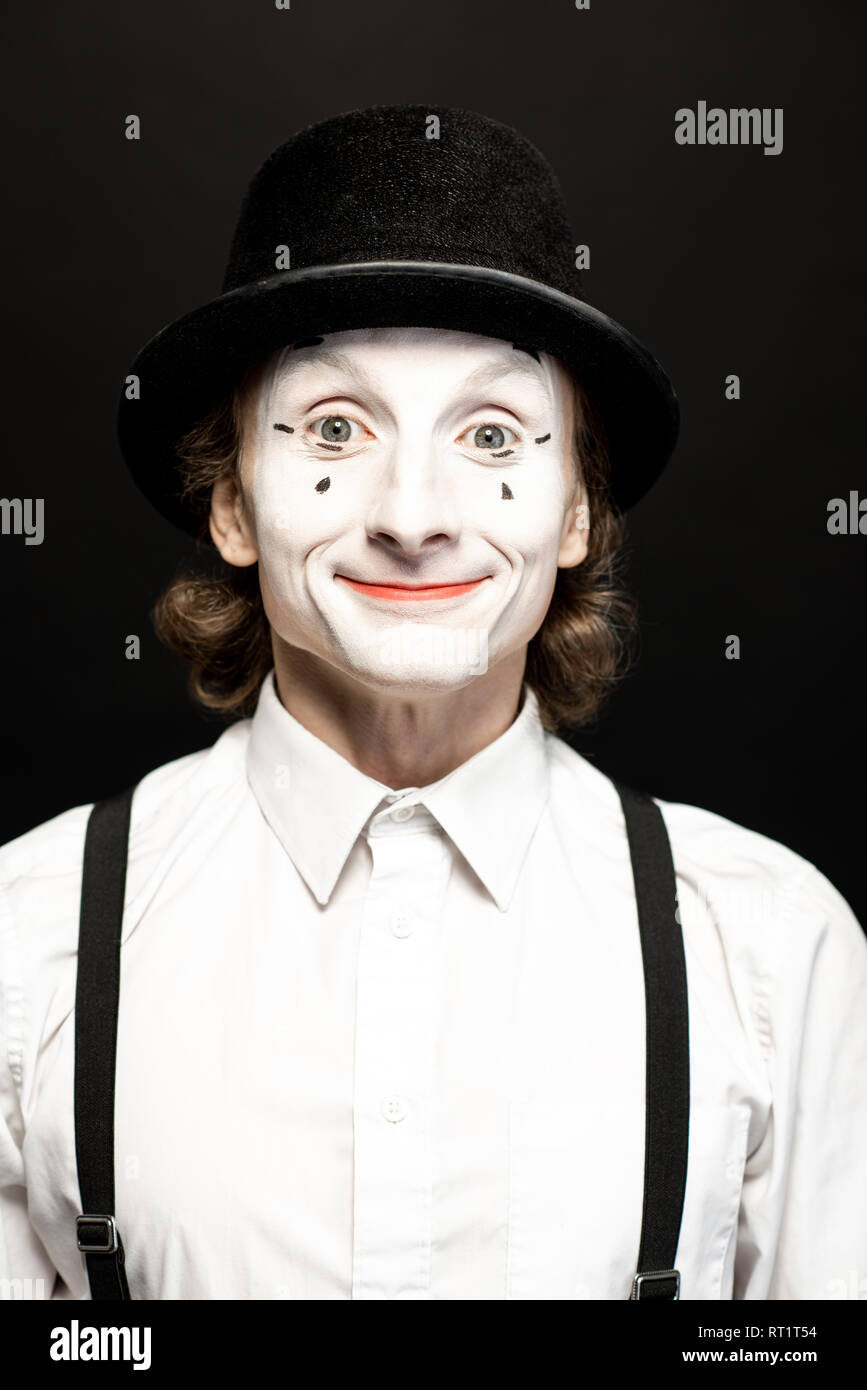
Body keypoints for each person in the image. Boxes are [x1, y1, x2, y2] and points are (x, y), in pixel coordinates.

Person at [1, 104, 865, 1303]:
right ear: (233, 504)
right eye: (337, 427)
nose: (414, 514)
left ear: (576, 510)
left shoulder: (772, 948)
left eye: (494, 433)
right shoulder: (25, 941)